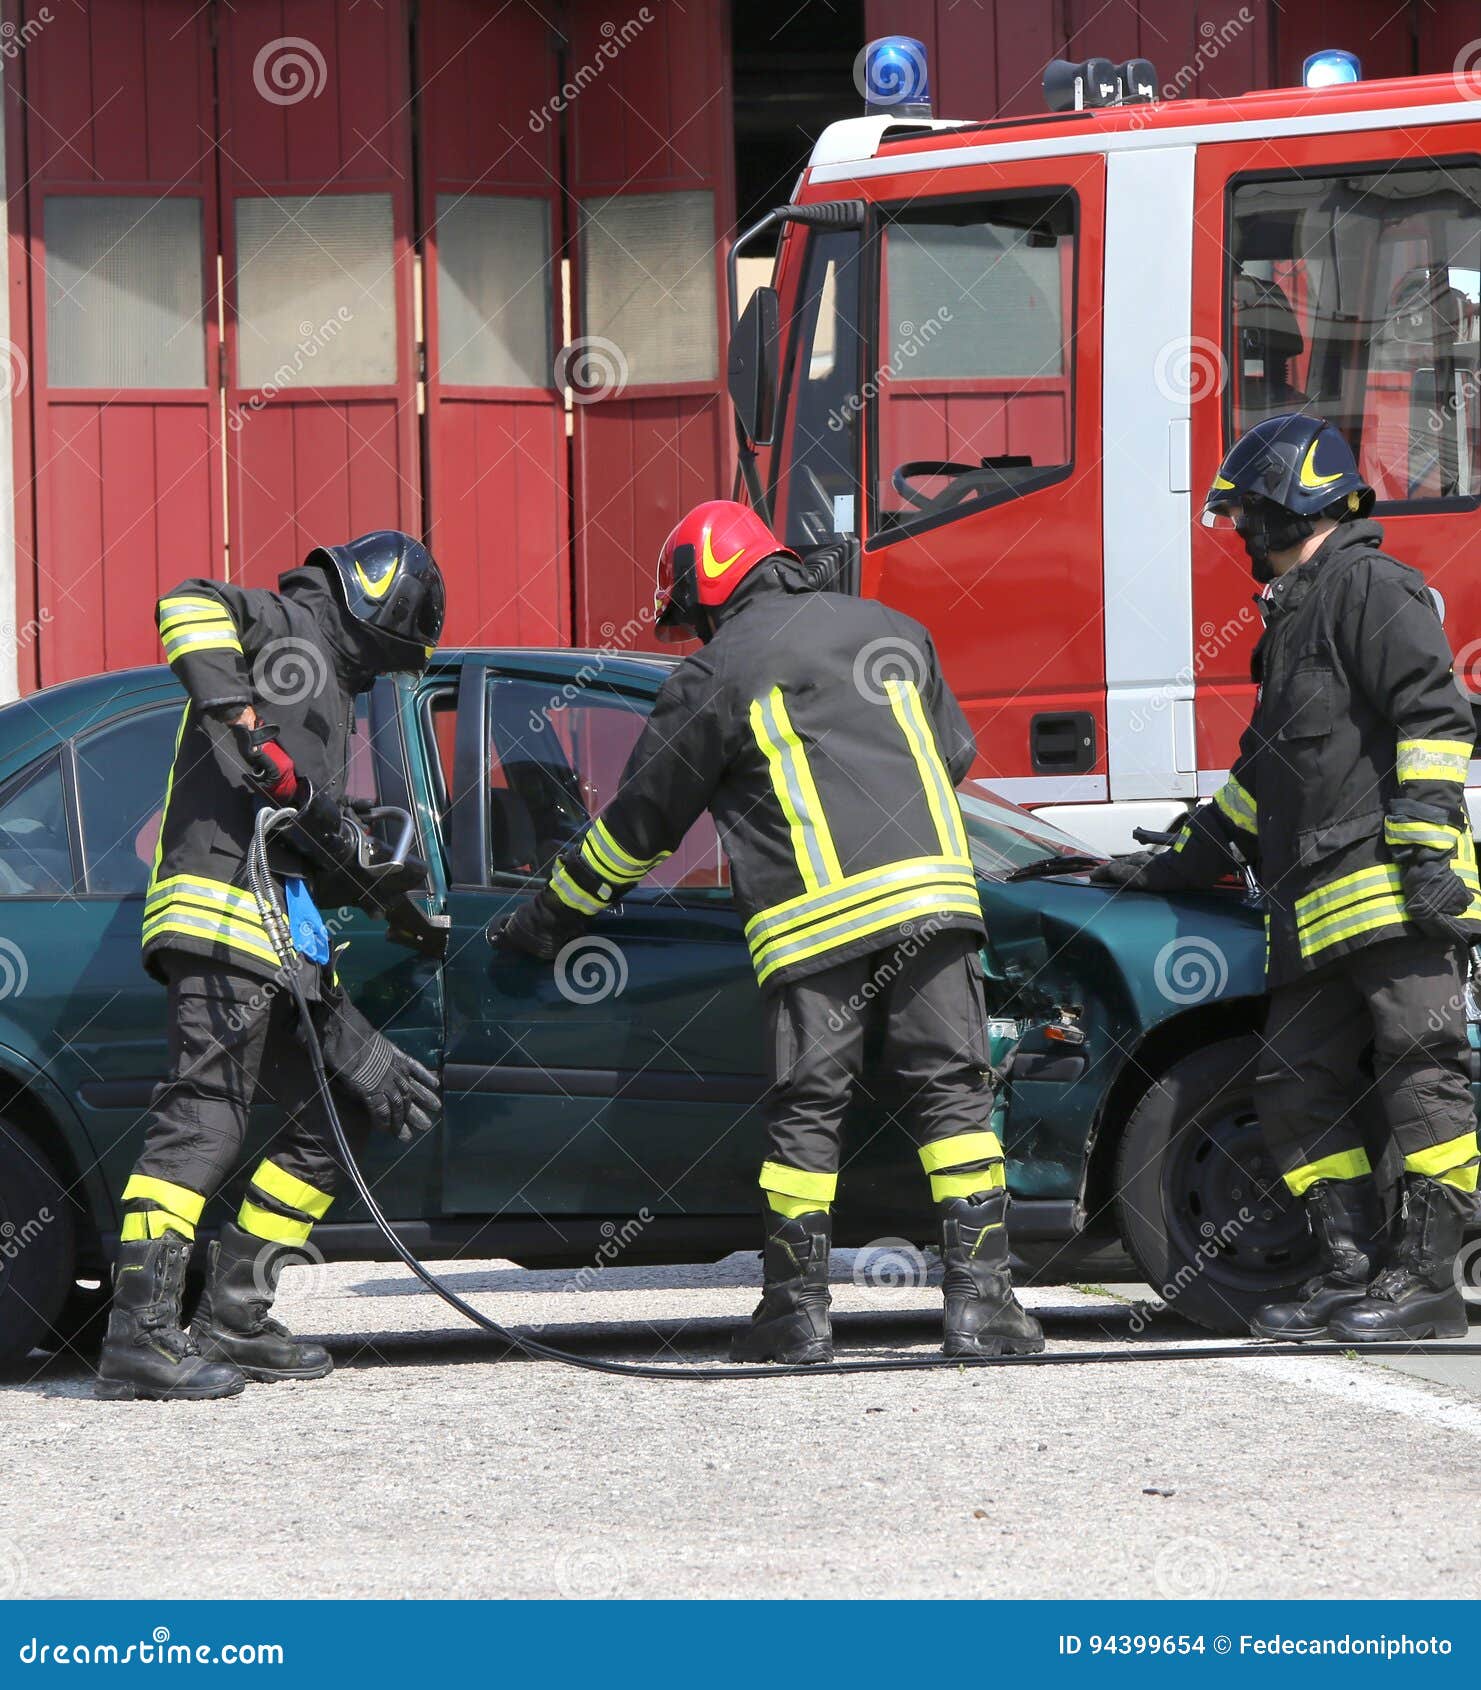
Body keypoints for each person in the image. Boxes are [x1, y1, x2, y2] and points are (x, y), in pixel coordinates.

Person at [494, 499, 1042, 1364]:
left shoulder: (716, 672)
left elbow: (633, 832)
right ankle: (982, 1311)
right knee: (956, 1099)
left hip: (813, 924)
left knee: (806, 1115)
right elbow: (950, 757)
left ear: (703, 591)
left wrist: (538, 920)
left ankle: (796, 1316)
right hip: (932, 902)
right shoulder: (894, 628)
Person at [1094, 413, 1479, 1341]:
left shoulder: (1372, 590)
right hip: (1312, 916)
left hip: (1393, 900)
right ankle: (1347, 1268)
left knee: (1420, 1078)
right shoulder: (1297, 615)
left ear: (1284, 506)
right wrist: (1175, 860)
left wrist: (1428, 853)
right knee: (1293, 1086)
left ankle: (1426, 1282)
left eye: (1245, 517)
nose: (1237, 536)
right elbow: (1262, 781)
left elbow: (1435, 719)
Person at [96, 533, 446, 1402]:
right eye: (393, 657)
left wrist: (367, 868)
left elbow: (298, 826)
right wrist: (237, 718)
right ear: (382, 614)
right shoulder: (284, 622)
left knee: (335, 1125)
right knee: (204, 1122)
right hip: (219, 920)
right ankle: (137, 1336)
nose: (381, 677)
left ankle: (234, 1319)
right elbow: (184, 600)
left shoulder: (330, 689)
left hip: (280, 945)